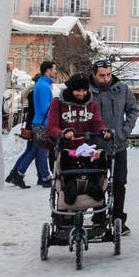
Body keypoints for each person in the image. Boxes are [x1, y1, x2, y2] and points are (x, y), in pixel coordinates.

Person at [89, 59, 139, 233]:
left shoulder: (121, 89)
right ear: (94, 74)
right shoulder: (87, 91)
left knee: (119, 183)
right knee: (97, 182)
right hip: (95, 147)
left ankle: (119, 218)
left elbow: (133, 110)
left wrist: (124, 131)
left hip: (118, 145)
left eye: (109, 75)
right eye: (102, 76)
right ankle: (99, 217)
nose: (106, 79)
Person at [47, 73, 111, 203]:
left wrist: (103, 131)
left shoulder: (91, 104)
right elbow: (51, 127)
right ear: (71, 90)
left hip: (86, 151)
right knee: (67, 179)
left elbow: (97, 123)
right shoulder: (58, 103)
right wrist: (63, 133)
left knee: (95, 173)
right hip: (66, 152)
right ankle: (70, 196)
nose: (81, 94)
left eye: (84, 90)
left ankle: (90, 190)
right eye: (77, 91)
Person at [8, 60, 56, 188]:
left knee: (37, 151)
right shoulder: (44, 86)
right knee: (41, 152)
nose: (55, 71)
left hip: (38, 122)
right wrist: (55, 110)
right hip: (42, 123)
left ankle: (28, 175)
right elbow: (45, 107)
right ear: (48, 70)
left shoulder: (41, 84)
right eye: (54, 69)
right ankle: (42, 177)